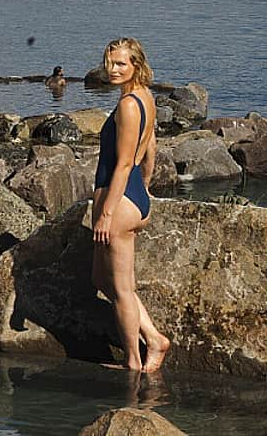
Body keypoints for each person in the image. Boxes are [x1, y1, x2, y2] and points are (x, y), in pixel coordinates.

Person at [91, 37, 170, 373]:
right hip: (133, 197)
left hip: (120, 203)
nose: (112, 69)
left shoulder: (127, 105)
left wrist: (107, 214)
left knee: (122, 290)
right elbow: (150, 149)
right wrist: (145, 189)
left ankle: (135, 361)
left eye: (121, 64)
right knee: (100, 277)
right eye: (109, 63)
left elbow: (123, 164)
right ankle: (153, 336)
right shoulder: (143, 98)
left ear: (136, 65)